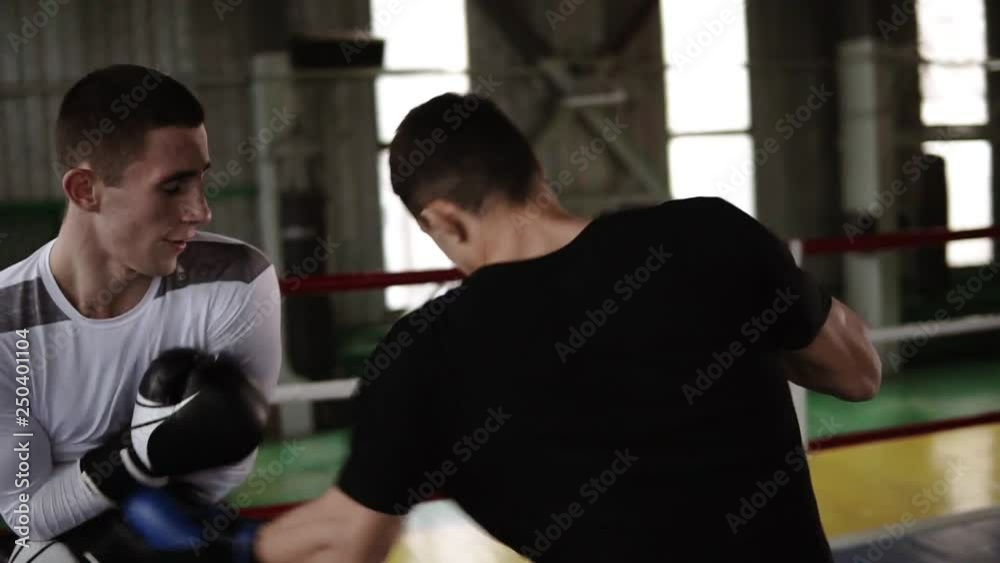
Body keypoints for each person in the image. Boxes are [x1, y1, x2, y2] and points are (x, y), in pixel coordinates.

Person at [117, 93, 880, 562]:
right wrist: (745, 312)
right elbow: (857, 372)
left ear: (443, 218)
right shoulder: (711, 234)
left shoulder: (423, 357)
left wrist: (225, 544)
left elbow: (348, 541)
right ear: (536, 174)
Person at [0, 64, 282, 557]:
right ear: (85, 191)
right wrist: (137, 456)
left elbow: (222, 472)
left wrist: (110, 490)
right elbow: (28, 514)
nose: (200, 210)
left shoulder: (234, 281)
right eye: (173, 187)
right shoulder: (7, 321)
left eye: (200, 181)